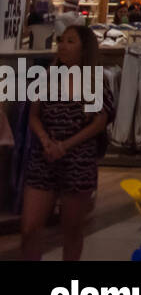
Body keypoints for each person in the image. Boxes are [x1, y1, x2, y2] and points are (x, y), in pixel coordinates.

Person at [20, 24, 115, 261]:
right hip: (44, 155)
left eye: (71, 41)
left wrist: (66, 145)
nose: (63, 45)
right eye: (61, 40)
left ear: (84, 49)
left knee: (71, 229)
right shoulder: (48, 77)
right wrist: (45, 141)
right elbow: (33, 116)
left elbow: (98, 123)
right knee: (29, 227)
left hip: (78, 159)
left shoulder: (94, 81)